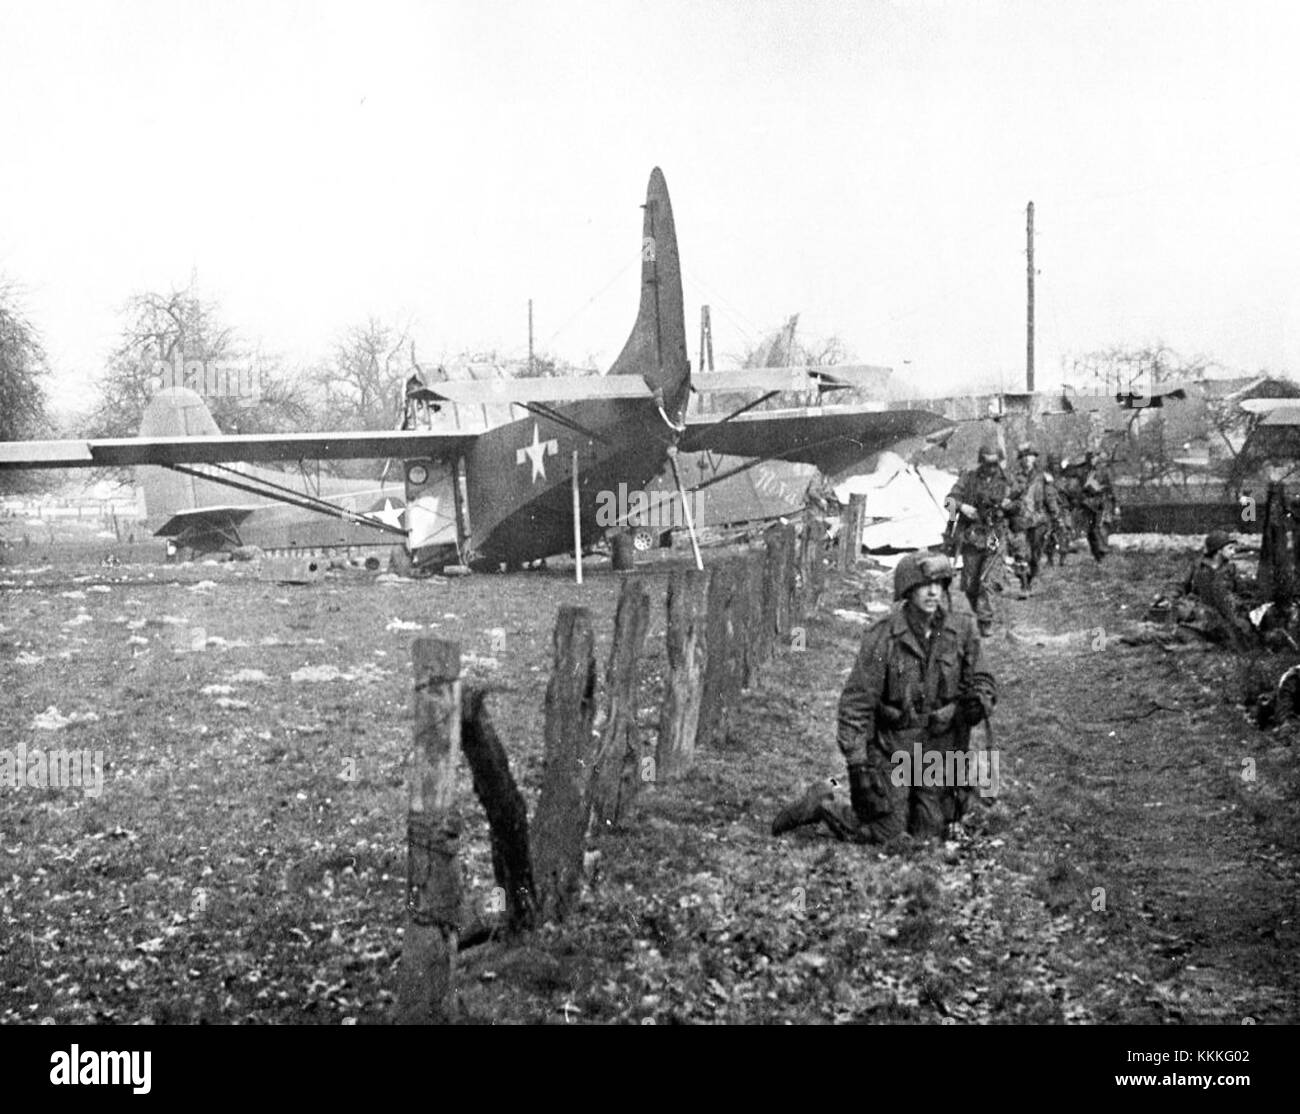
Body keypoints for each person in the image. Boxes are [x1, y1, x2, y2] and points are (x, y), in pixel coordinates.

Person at [771, 551, 997, 843]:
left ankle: (920, 801)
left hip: (939, 750)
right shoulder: (884, 635)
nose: (932, 592)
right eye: (924, 585)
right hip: (893, 750)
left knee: (930, 831)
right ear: (907, 590)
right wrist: (857, 766)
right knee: (888, 832)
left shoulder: (962, 628)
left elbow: (984, 678)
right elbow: (856, 705)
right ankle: (824, 802)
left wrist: (979, 700)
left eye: (939, 585)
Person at [946, 443, 1017, 636]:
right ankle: (977, 615)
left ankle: (985, 621)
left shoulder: (1007, 480)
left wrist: (1009, 506)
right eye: (987, 463)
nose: (991, 468)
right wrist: (961, 507)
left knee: (987, 579)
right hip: (972, 536)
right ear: (981, 462)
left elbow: (1020, 504)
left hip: (995, 534)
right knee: (970, 584)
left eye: (995, 463)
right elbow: (949, 501)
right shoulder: (968, 479)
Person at [1178, 529, 1255, 649]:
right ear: (1219, 551)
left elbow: (1241, 591)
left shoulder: (1230, 569)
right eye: (1230, 548)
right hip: (1202, 615)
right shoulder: (1198, 567)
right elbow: (1181, 585)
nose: (1233, 551)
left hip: (1225, 612)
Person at [1008, 443, 1059, 595]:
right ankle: (1024, 585)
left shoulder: (1043, 477)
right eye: (1024, 457)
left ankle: (1029, 580)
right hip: (1020, 520)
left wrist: (1055, 514)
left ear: (1034, 459)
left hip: (1039, 521)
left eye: (1031, 456)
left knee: (1035, 557)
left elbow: (1050, 497)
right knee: (1021, 553)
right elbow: (1007, 496)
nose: (1028, 459)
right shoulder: (1014, 477)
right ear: (1021, 460)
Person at [1076, 449, 1119, 562]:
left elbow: (1112, 488)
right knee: (1090, 531)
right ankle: (1097, 553)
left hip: (1102, 502)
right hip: (1088, 503)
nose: (1093, 460)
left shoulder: (1103, 471)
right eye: (1091, 458)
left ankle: (1103, 551)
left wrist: (1116, 504)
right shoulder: (1084, 472)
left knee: (1101, 527)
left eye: (1095, 458)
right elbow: (1079, 488)